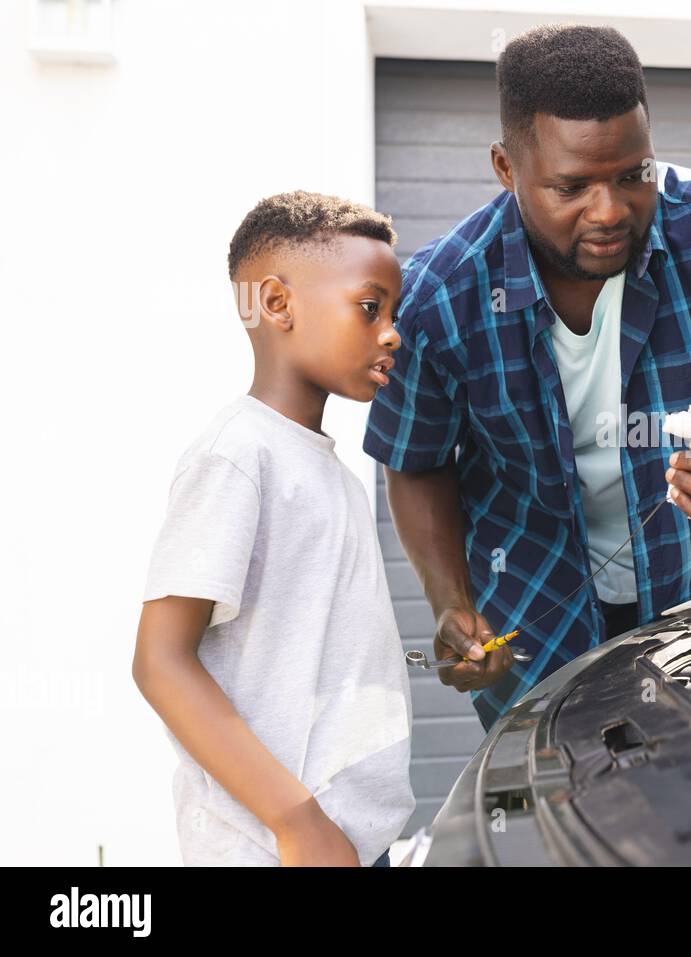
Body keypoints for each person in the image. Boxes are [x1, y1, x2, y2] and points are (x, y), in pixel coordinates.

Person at [365, 25, 691, 731]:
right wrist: (451, 602)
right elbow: (417, 465)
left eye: (633, 175)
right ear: (506, 169)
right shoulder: (438, 298)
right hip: (530, 627)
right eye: (571, 186)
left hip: (687, 613)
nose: (609, 211)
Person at [133, 191, 416, 866]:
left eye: (395, 313)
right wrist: (297, 821)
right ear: (278, 304)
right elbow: (159, 660)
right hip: (274, 846)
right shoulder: (238, 455)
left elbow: (314, 650)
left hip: (347, 839)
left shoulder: (333, 473)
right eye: (370, 306)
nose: (392, 332)